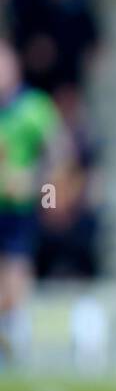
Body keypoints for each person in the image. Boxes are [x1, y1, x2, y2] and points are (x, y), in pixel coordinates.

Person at [0, 40, 72, 364]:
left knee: (16, 279)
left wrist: (43, 191)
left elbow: (60, 154)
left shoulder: (35, 107)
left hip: (19, 211)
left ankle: (13, 339)